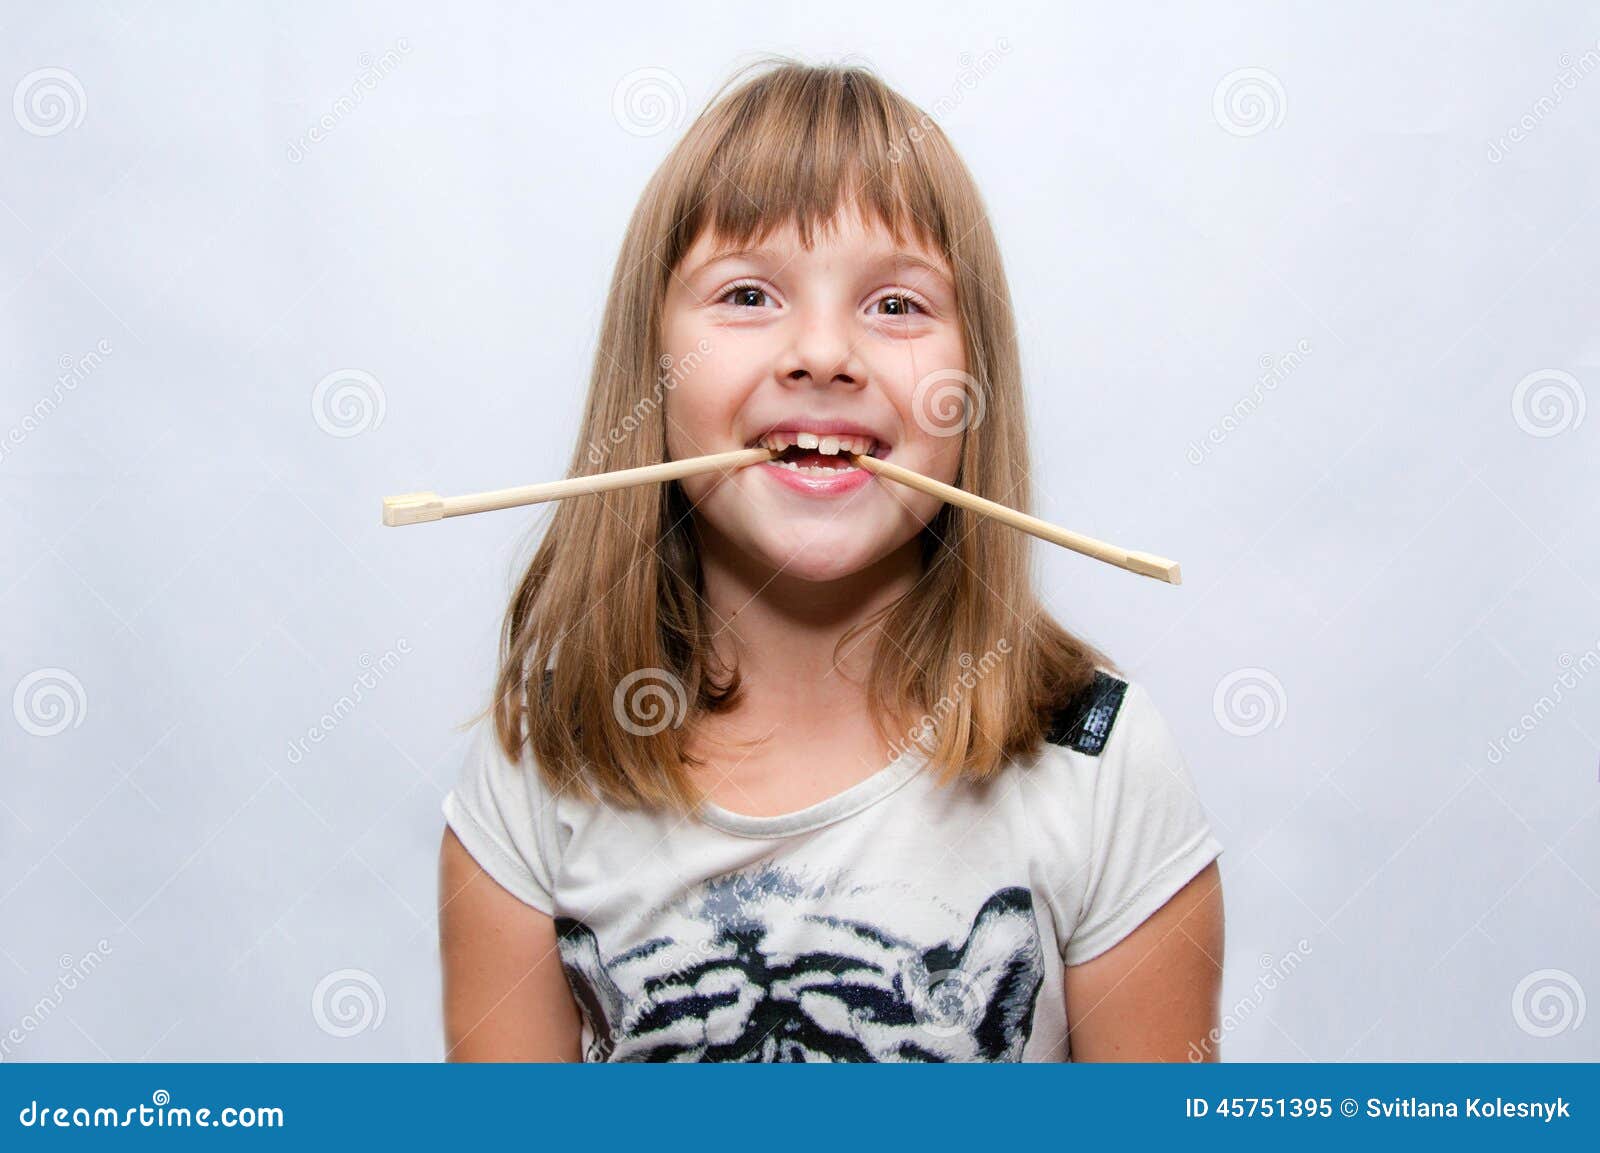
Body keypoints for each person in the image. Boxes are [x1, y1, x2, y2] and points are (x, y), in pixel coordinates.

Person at [437, 58, 1224, 1062]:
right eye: (749, 292)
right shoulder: (540, 757)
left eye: (895, 305)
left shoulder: (1098, 760)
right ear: (654, 371)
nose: (822, 351)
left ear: (973, 379)